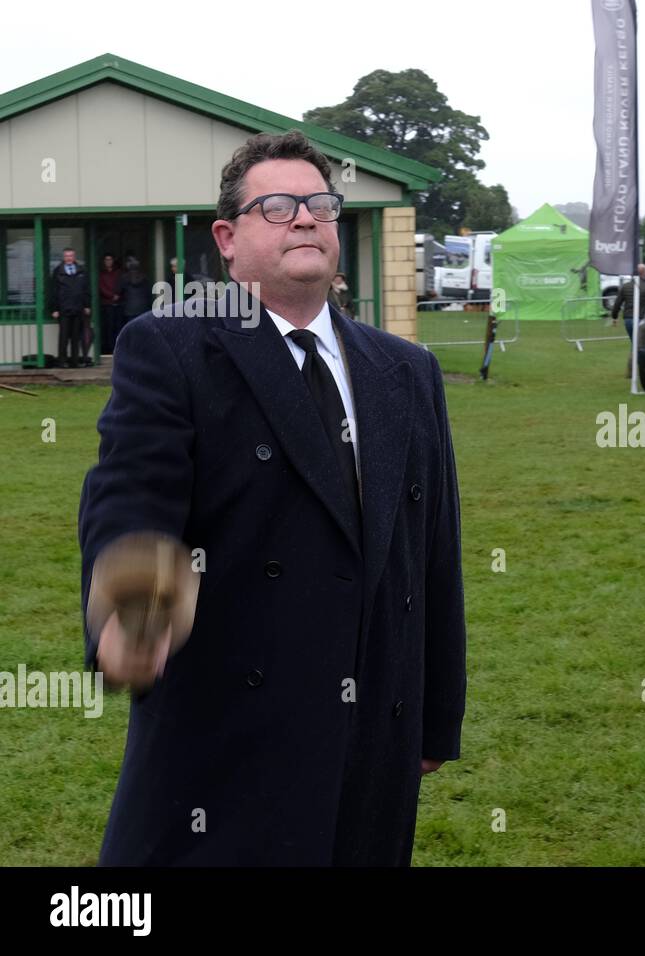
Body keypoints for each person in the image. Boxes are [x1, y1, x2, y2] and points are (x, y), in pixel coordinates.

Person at [79, 130, 466, 865]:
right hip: (230, 736)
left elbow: (432, 556)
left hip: (371, 739)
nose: (306, 218)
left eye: (321, 204)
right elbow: (133, 497)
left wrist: (434, 716)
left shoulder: (408, 370)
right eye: (279, 205)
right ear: (227, 238)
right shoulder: (170, 347)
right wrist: (131, 610)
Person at [611, 263, 645, 378]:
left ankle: (631, 372)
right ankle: (638, 371)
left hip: (628, 320)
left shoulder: (625, 287)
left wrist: (614, 316)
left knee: (635, 344)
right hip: (641, 319)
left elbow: (617, 304)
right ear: (644, 273)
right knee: (640, 345)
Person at [50, 247, 92, 368]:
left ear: (74, 257)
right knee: (63, 337)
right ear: (64, 257)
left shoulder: (82, 271)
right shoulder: (58, 271)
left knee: (75, 337)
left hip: (78, 308)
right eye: (67, 256)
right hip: (63, 309)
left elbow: (86, 290)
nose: (69, 258)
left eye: (71, 256)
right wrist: (54, 309)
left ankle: (74, 362)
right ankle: (62, 361)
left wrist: (87, 305)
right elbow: (53, 291)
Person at [115, 256, 151, 328]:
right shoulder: (144, 277)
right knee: (142, 328)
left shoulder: (124, 278)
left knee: (131, 328)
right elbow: (148, 293)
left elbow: (117, 294)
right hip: (143, 308)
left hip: (129, 309)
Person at [98, 253, 123, 355]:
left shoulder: (118, 272)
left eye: (110, 259)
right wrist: (112, 296)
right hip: (107, 304)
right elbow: (101, 287)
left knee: (118, 327)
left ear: (113, 261)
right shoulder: (101, 274)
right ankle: (109, 349)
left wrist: (118, 294)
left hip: (118, 304)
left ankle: (118, 348)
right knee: (108, 327)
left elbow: (121, 284)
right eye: (106, 260)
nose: (108, 261)